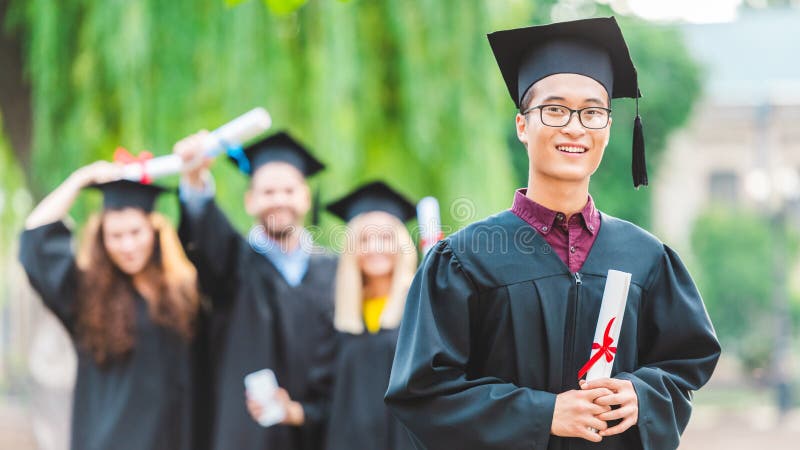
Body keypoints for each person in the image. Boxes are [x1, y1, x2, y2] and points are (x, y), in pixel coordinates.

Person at [384, 17, 721, 450]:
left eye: (593, 112)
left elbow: (686, 363)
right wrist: (543, 414)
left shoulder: (646, 258)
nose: (576, 127)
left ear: (609, 126)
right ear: (523, 125)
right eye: (555, 109)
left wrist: (642, 394)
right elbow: (422, 393)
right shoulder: (465, 260)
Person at [19, 161, 200, 450]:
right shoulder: (87, 296)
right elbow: (35, 236)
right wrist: (80, 179)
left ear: (154, 231)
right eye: (115, 236)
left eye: (135, 232)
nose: (127, 246)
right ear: (101, 239)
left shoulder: (183, 293)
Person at [174, 130, 337, 450]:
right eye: (268, 191)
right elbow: (206, 238)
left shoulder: (336, 272)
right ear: (250, 200)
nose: (279, 200)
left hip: (322, 434)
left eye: (289, 190)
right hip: (246, 437)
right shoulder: (234, 264)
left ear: (305, 197)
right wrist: (195, 178)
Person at [248, 181, 419, 449]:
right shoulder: (340, 318)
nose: (375, 247)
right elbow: (329, 403)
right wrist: (291, 410)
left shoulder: (422, 309)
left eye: (386, 237)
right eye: (364, 239)